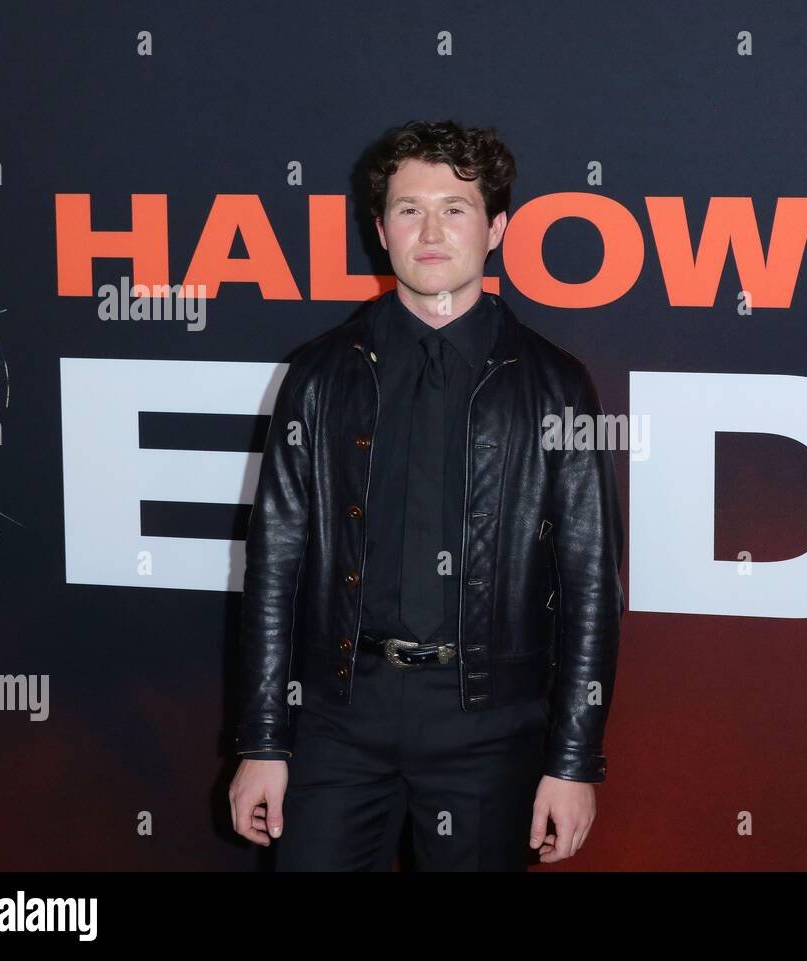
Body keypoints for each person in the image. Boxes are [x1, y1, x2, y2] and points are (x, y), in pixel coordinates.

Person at [227, 119, 625, 870]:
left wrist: (574, 760)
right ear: (380, 229)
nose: (432, 230)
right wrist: (264, 740)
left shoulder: (557, 386)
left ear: (497, 226)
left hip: (488, 728)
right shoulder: (316, 376)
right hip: (339, 721)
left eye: (456, 207)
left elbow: (591, 586)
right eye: (410, 209)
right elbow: (274, 566)